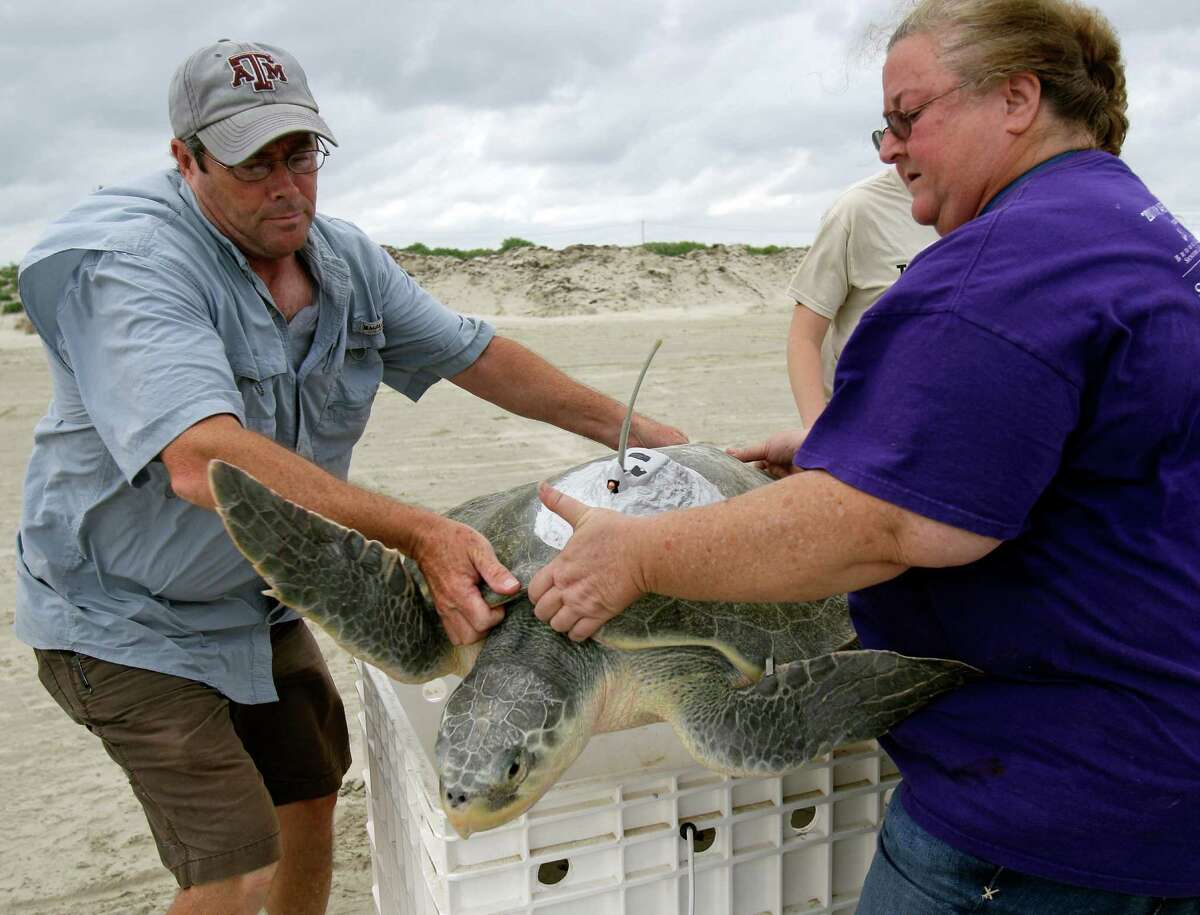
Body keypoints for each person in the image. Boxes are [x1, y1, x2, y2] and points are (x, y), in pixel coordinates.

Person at [528, 1, 1200, 911]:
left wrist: (637, 554)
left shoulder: (996, 272)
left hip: (1046, 803)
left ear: (1016, 97)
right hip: (1166, 770)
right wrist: (856, 444)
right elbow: (1106, 445)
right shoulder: (1142, 231)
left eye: (907, 115)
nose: (888, 146)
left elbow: (883, 527)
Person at [15, 39, 685, 915]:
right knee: (233, 865)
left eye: (299, 154)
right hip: (121, 615)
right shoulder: (136, 264)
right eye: (253, 163)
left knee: (310, 794)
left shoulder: (343, 261)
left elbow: (478, 356)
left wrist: (655, 439)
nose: (286, 184)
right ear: (186, 159)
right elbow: (200, 458)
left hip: (259, 596)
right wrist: (421, 533)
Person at [787, 168, 937, 429]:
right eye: (889, 130)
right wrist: (817, 435)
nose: (889, 150)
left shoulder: (988, 203)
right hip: (864, 427)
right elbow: (804, 337)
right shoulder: (856, 209)